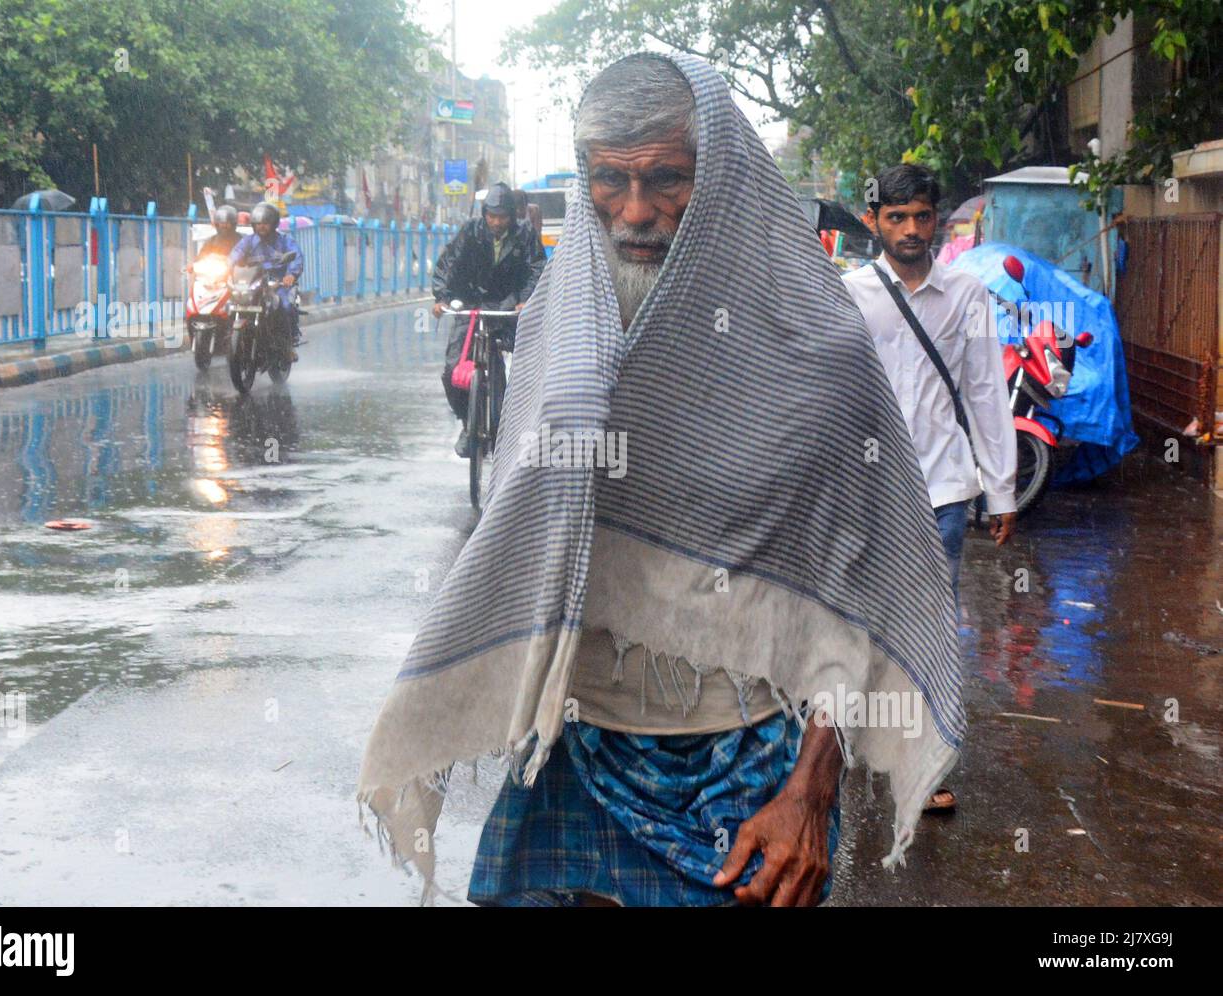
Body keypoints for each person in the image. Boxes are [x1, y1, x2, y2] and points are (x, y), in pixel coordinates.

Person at [359, 53, 966, 907]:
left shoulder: (819, 352)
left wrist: (811, 790)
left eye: (666, 180)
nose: (634, 213)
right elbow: (520, 532)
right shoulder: (558, 324)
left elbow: (863, 592)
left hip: (750, 767)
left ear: (718, 175)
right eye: (608, 180)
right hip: (578, 744)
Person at [843, 163, 1017, 815]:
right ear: (875, 223)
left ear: (936, 221)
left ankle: (925, 761)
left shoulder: (966, 296)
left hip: (942, 491)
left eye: (921, 216)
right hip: (866, 492)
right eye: (897, 217)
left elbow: (984, 393)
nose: (911, 229)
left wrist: (1000, 490)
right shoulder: (851, 295)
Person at [431, 182, 546, 457]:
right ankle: (466, 423)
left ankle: (513, 425)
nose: (496, 222)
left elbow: (537, 267)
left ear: (511, 216)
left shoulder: (525, 234)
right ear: (485, 214)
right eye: (491, 216)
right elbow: (448, 263)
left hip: (507, 308)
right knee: (451, 371)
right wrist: (442, 297)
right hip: (470, 306)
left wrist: (526, 299)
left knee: (528, 367)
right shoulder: (470, 231)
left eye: (502, 216)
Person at [228, 202, 304, 352]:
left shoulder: (285, 240)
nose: (261, 227)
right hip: (255, 282)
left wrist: (291, 274)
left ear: (274, 224)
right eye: (258, 224)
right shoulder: (248, 241)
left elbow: (297, 257)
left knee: (285, 306)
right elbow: (235, 254)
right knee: (229, 306)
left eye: (265, 223)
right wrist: (227, 266)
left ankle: (289, 344)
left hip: (279, 283)